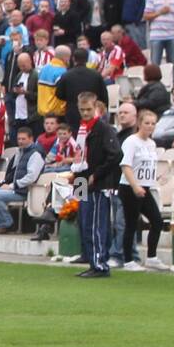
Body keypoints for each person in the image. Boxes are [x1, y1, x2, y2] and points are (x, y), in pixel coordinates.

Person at [72, 91, 121, 279]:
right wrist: (77, 179)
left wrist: (97, 175)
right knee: (84, 222)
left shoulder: (103, 129)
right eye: (82, 109)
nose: (84, 113)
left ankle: (100, 264)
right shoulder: (83, 128)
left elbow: (115, 155)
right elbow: (80, 156)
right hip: (82, 179)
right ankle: (91, 259)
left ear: (95, 107)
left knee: (95, 224)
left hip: (97, 183)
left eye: (88, 109)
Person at [119, 109, 167, 271]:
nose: (150, 126)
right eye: (147, 123)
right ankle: (128, 260)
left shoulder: (151, 143)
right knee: (131, 224)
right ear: (139, 124)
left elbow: (147, 165)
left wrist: (155, 178)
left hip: (145, 186)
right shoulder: (131, 141)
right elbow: (126, 165)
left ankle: (152, 257)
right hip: (130, 187)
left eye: (153, 124)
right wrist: (135, 186)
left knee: (157, 221)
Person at [0, 127, 44, 234]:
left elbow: (31, 177)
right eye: (19, 139)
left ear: (31, 139)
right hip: (12, 188)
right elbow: (11, 174)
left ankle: (7, 224)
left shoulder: (35, 154)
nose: (20, 141)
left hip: (23, 191)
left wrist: (12, 186)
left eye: (23, 139)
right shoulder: (19, 153)